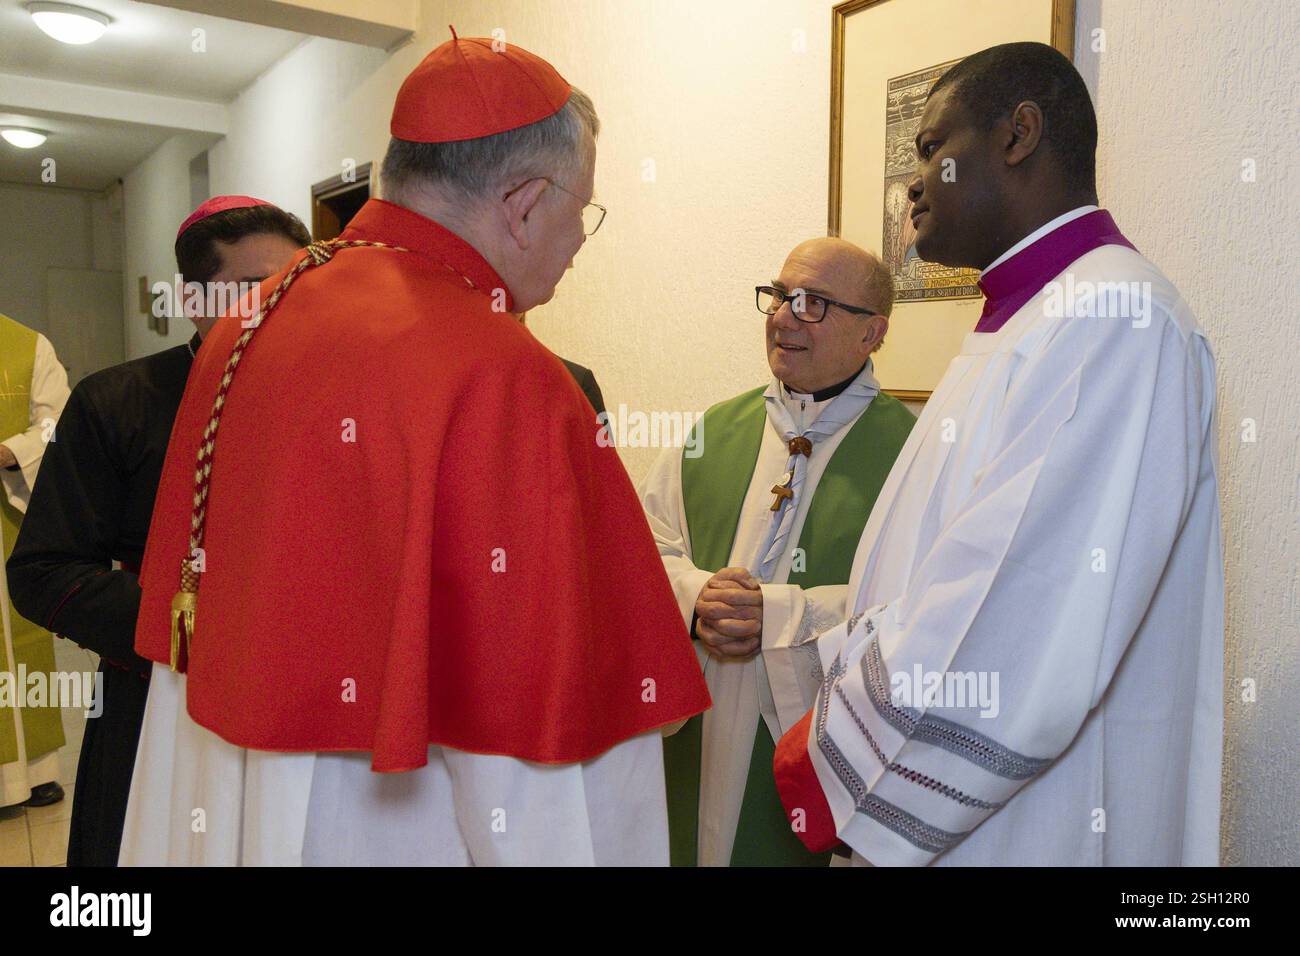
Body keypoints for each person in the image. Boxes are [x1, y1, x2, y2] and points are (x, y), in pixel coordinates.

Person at [118, 32, 709, 866]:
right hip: (396, 818)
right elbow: (544, 740)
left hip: (238, 781)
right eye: (584, 210)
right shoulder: (505, 370)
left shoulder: (250, 319)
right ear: (526, 202)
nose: (581, 237)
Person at [774, 42, 1223, 866]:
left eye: (933, 149)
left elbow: (1019, 603)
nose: (913, 183)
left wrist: (842, 754)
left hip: (1033, 825)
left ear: (1019, 135)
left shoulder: (1115, 318)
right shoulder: (1030, 318)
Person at [7, 197, 309, 865]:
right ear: (193, 299)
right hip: (156, 696)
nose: (281, 303)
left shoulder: (337, 396)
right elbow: (43, 571)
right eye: (253, 288)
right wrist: (197, 632)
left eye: (296, 282)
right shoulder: (117, 400)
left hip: (298, 703)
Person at [641, 238, 914, 866]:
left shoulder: (913, 454)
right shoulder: (712, 432)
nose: (784, 316)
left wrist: (782, 617)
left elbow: (920, 607)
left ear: (871, 333)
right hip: (696, 727)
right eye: (779, 295)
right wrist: (695, 598)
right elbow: (644, 551)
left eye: (813, 302)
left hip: (816, 744)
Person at [0, 312, 69, 809]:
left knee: (21, 639)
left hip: (8, 517)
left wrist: (10, 450)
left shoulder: (26, 344)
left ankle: (34, 770)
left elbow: (56, 423)